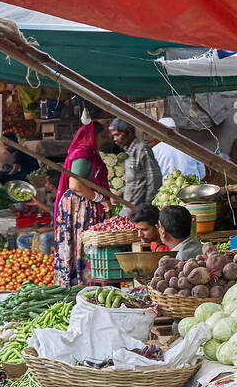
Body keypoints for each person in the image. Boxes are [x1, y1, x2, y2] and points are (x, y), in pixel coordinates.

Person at [53, 121, 111, 286]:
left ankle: (87, 281)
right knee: (81, 244)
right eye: (101, 137)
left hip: (84, 204)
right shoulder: (82, 155)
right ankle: (81, 283)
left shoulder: (89, 153)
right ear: (92, 137)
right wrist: (99, 198)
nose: (103, 140)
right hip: (79, 208)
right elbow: (75, 185)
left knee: (85, 244)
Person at [109, 118, 162, 207]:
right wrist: (121, 193)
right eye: (113, 136)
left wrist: (147, 206)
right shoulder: (129, 153)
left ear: (129, 132)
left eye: (117, 135)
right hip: (130, 208)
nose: (115, 139)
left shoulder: (142, 150)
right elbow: (134, 182)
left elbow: (154, 179)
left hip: (139, 209)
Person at [151, 116, 206, 180]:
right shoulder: (191, 147)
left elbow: (154, 176)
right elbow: (202, 173)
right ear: (177, 130)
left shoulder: (154, 150)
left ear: (159, 132)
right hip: (192, 187)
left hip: (167, 188)